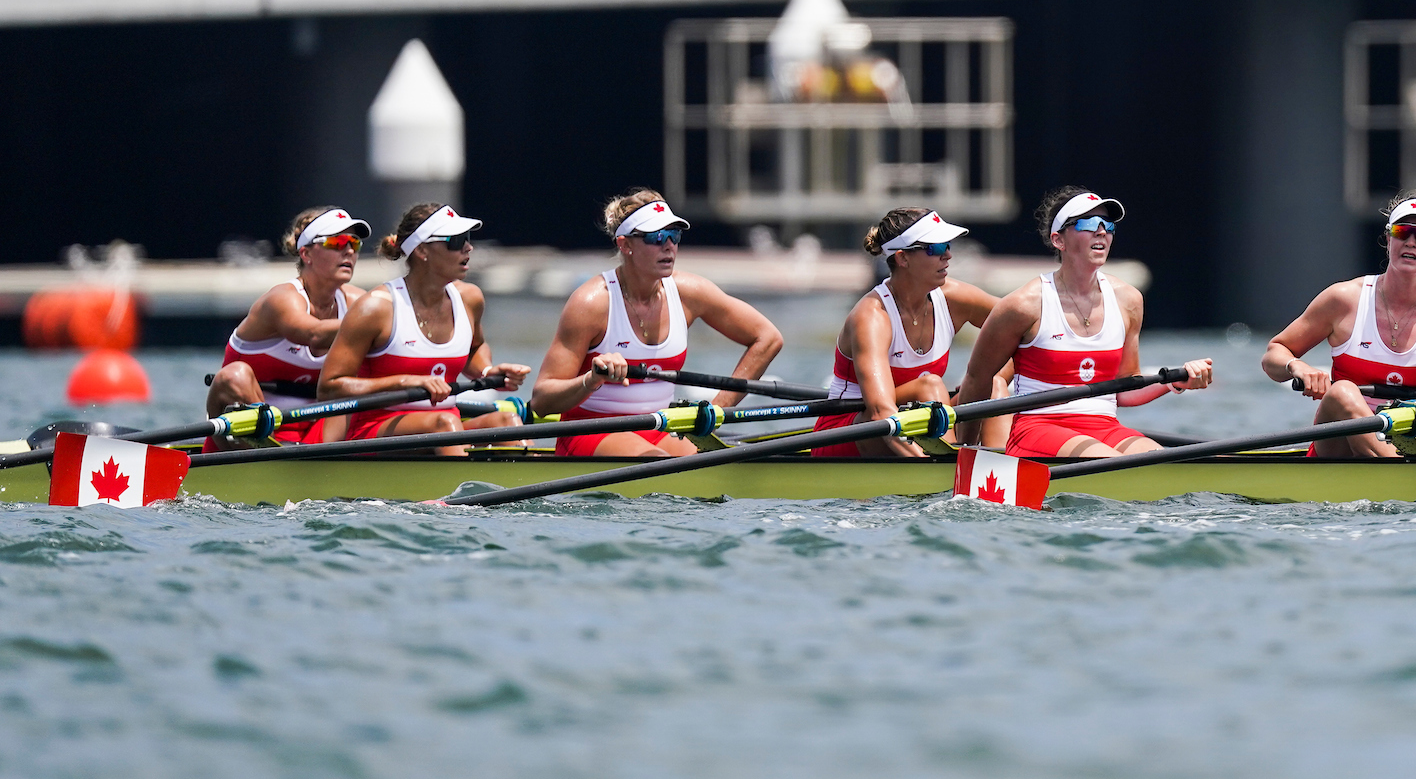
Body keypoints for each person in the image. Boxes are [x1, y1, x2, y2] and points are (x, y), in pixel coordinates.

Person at [958, 188, 1214, 458]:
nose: (1102, 232)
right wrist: (963, 452)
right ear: (1059, 240)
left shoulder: (1129, 300)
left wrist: (1175, 382)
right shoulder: (1023, 305)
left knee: (1162, 463)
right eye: (1089, 224)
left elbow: (1126, 389)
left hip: (1105, 427)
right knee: (1116, 464)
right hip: (1038, 429)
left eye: (1108, 225)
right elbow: (977, 378)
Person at [527, 191, 786, 459]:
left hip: (660, 428)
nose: (669, 246)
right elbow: (542, 401)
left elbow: (767, 338)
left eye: (675, 236)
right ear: (625, 245)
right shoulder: (591, 303)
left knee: (707, 465)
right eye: (657, 237)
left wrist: (717, 410)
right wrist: (591, 380)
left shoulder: (689, 293)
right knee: (667, 467)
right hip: (590, 432)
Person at [1261, 193, 1416, 457]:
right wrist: (1295, 366)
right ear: (1388, 240)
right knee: (1343, 391)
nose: (1411, 242)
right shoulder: (1344, 299)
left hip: (1406, 437)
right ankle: (1405, 480)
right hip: (1337, 442)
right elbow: (1274, 353)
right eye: (1402, 232)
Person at [317, 205, 530, 453]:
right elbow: (329, 388)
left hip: (445, 426)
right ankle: (463, 490)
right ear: (421, 250)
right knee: (445, 424)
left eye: (467, 239)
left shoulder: (470, 299)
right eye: (456, 241)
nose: (468, 248)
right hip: (377, 431)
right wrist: (405, 382)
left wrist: (487, 370)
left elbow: (475, 347)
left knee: (508, 422)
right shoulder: (376, 308)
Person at [809, 206, 1003, 459]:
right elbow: (881, 412)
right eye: (935, 248)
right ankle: (953, 468)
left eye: (948, 245)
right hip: (847, 433)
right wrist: (933, 470)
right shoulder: (872, 317)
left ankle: (1002, 467)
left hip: (916, 423)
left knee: (995, 385)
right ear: (902, 258)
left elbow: (1026, 326)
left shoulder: (956, 298)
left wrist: (979, 379)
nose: (948, 256)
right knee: (930, 387)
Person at [206, 206, 376, 442]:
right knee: (233, 376)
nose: (348, 251)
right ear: (306, 254)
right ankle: (267, 457)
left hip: (316, 437)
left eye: (354, 244)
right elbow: (313, 333)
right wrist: (374, 324)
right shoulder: (282, 300)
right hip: (251, 436)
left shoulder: (358, 302)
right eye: (337, 243)